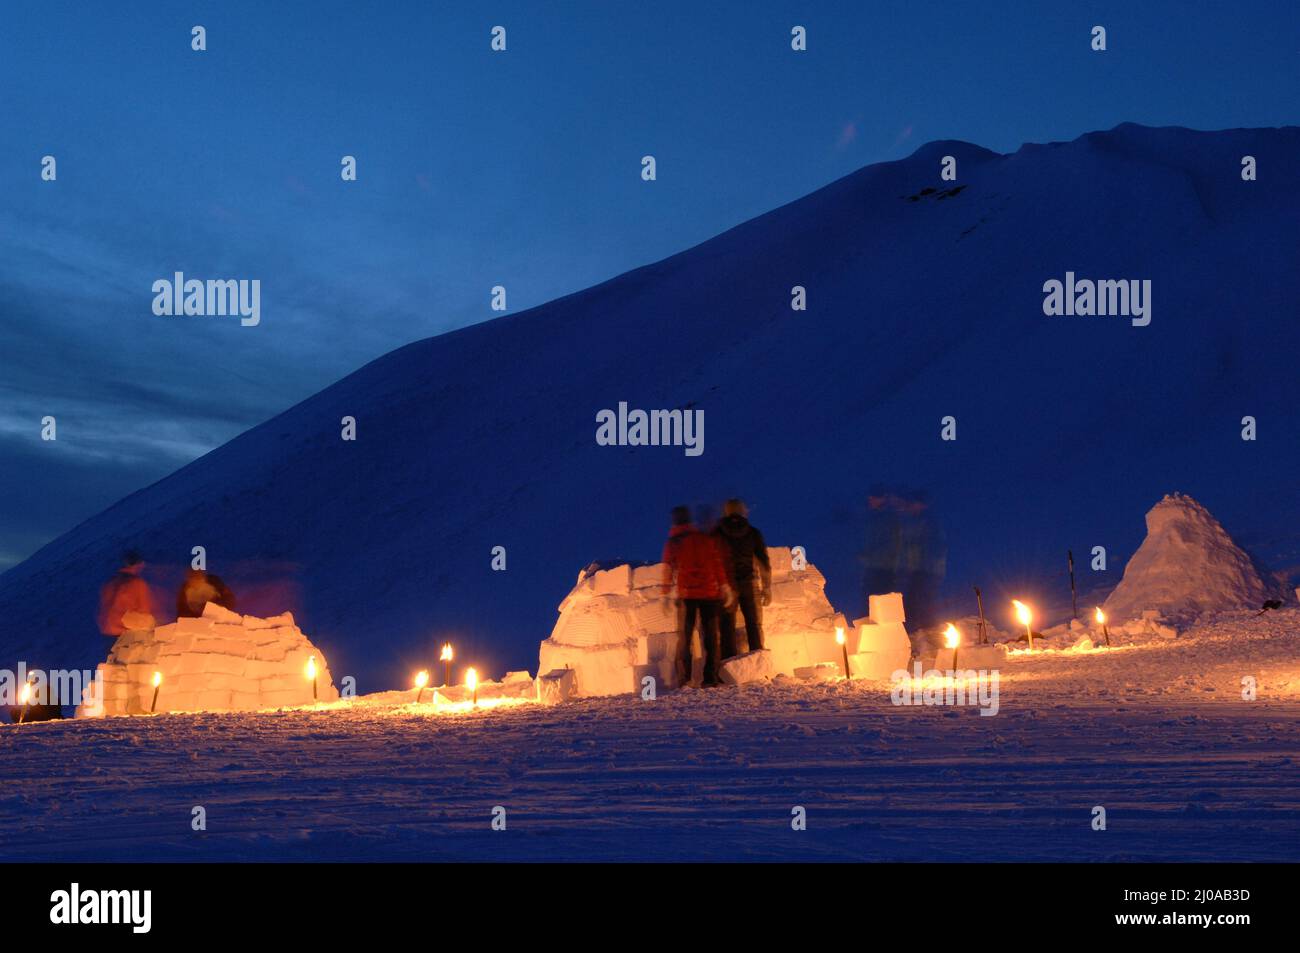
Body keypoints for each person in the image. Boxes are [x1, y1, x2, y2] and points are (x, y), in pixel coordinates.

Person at [662, 505, 733, 687]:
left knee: (685, 638)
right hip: (710, 595)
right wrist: (725, 587)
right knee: (710, 637)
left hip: (687, 595)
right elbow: (717, 563)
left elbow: (668, 568)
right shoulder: (704, 539)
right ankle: (710, 678)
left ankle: (685, 679)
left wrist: (665, 593)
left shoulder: (674, 542)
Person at [713, 499, 772, 655]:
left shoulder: (716, 533)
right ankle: (758, 661)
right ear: (742, 511)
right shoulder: (753, 532)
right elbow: (763, 561)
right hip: (748, 584)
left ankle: (729, 666)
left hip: (726, 586)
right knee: (753, 625)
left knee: (727, 628)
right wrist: (767, 588)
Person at [97, 551, 157, 637]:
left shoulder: (109, 583)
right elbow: (145, 610)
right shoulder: (137, 583)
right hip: (123, 630)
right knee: (151, 622)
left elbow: (102, 608)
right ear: (139, 564)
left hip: (106, 630)